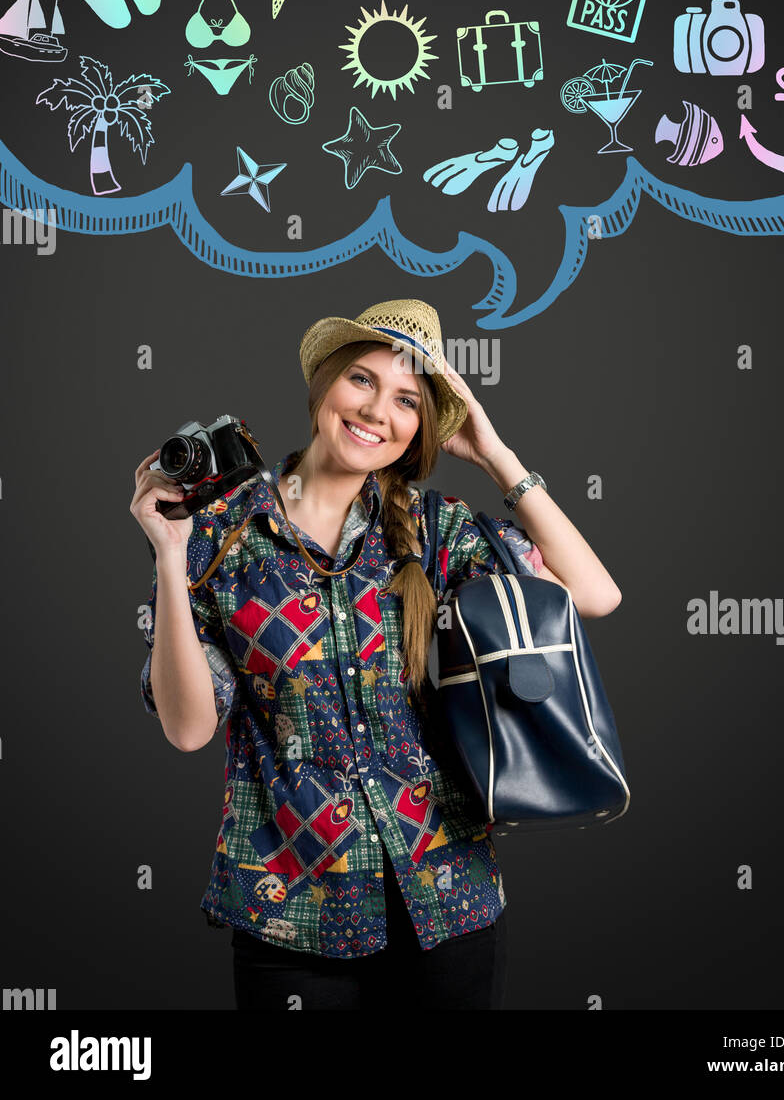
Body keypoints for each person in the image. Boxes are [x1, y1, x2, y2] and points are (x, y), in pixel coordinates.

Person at [130, 298, 622, 1009]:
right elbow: (188, 729)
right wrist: (171, 557)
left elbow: (593, 595)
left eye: (406, 400)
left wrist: (494, 453)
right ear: (324, 385)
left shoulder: (436, 530)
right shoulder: (220, 536)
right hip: (290, 915)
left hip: (448, 904)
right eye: (361, 380)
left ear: (421, 426)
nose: (375, 412)